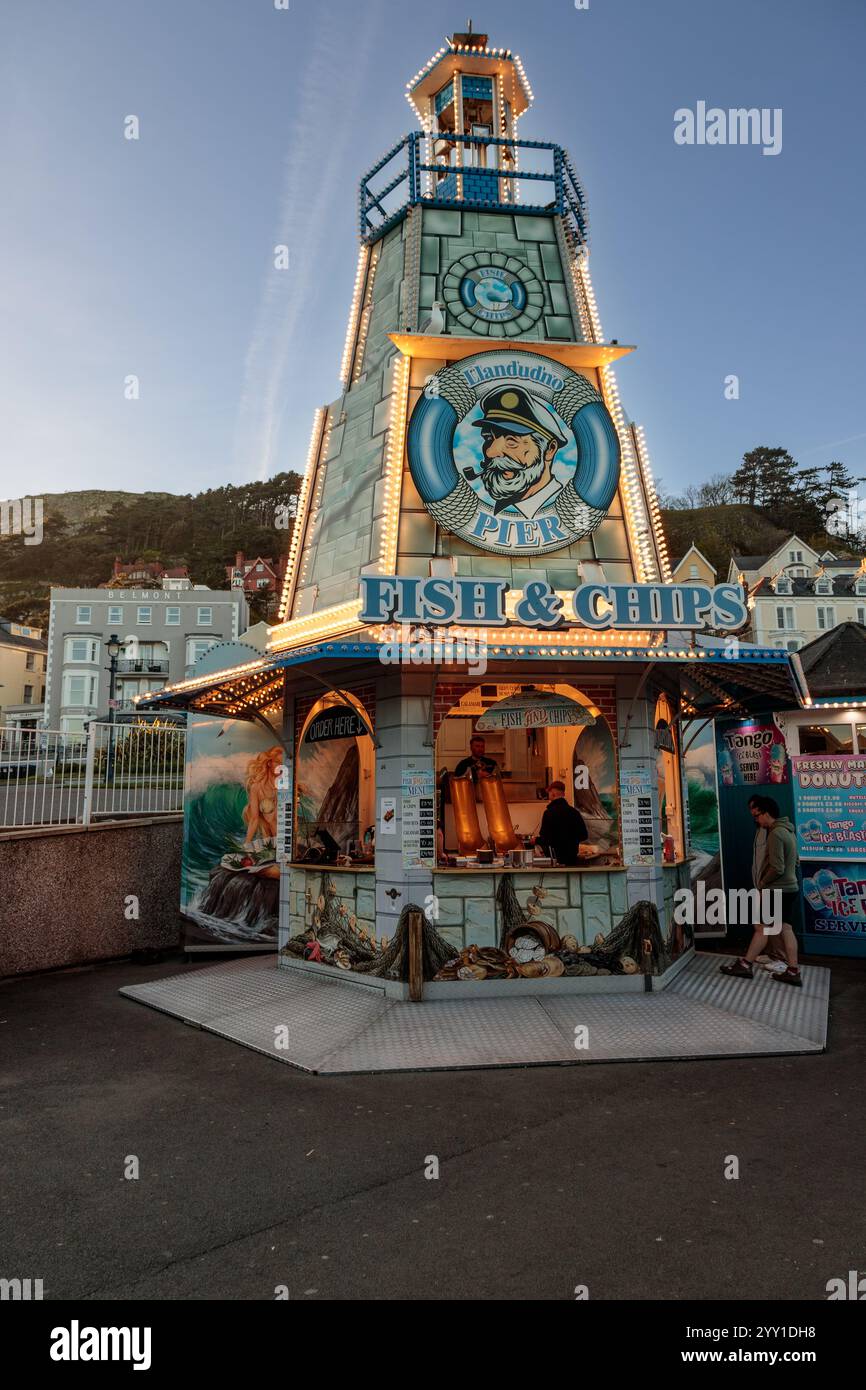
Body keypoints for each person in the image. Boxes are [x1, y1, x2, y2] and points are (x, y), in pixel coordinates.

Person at [720, 795, 802, 987]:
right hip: (791, 888)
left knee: (760, 927)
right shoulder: (789, 831)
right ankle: (793, 970)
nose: (756, 820)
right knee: (786, 928)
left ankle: (745, 964)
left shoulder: (775, 833)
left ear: (766, 814)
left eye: (757, 816)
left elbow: (777, 867)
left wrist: (763, 882)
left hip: (776, 889)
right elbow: (795, 861)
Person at [532, 781, 588, 867]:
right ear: (564, 794)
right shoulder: (574, 812)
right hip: (572, 861)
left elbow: (546, 839)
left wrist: (535, 840)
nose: (548, 795)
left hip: (555, 861)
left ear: (553, 794)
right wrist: (570, 840)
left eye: (549, 793)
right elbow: (584, 835)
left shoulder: (548, 813)